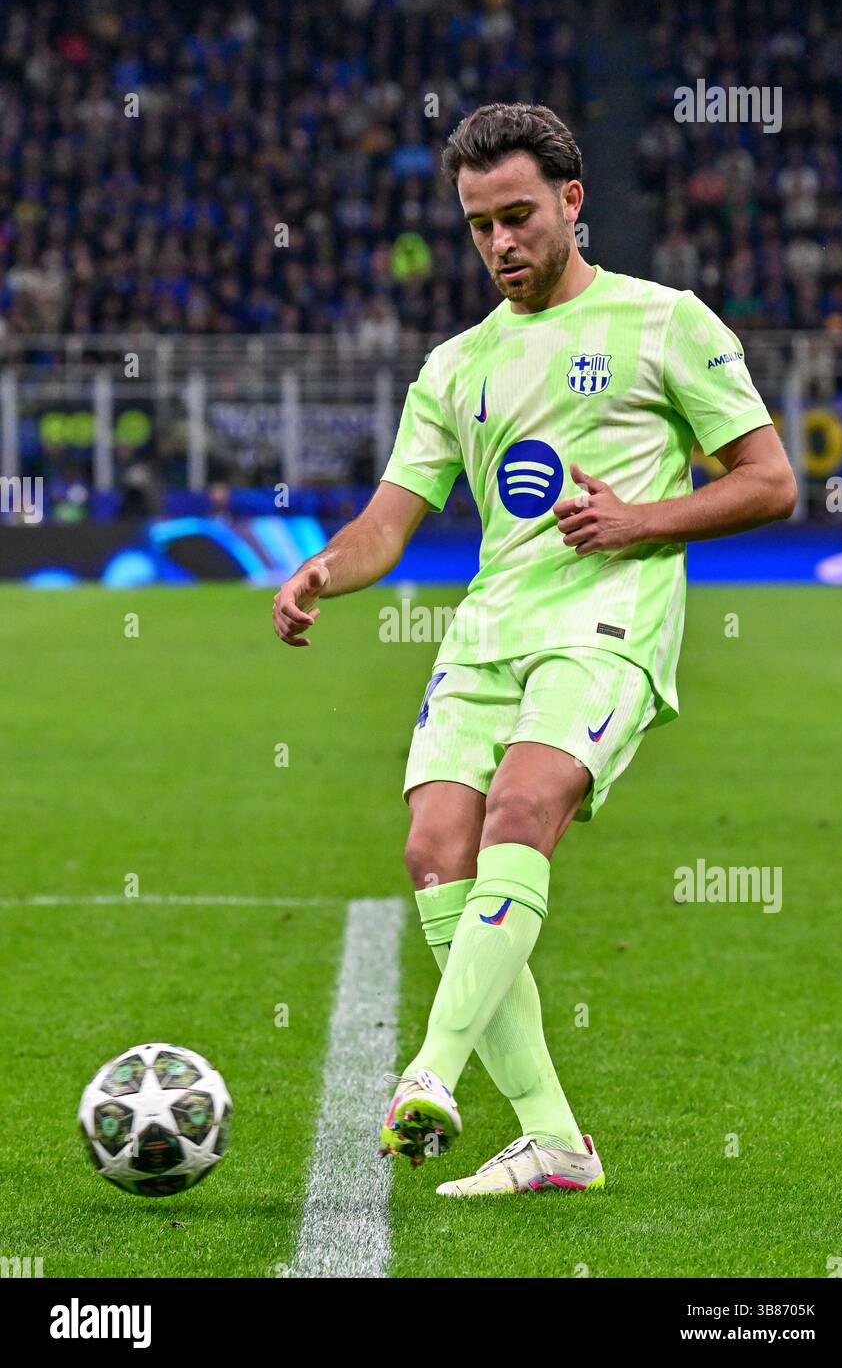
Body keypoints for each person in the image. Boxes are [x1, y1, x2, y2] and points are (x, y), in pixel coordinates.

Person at [272, 103, 797, 1197]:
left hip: (606, 625)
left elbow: (770, 480)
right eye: (478, 226)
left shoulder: (666, 322)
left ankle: (430, 1068)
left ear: (570, 201)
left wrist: (642, 519)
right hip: (490, 627)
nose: (500, 243)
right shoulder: (458, 364)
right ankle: (555, 1139)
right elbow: (388, 520)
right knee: (434, 852)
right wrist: (325, 568)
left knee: (522, 810)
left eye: (517, 216)